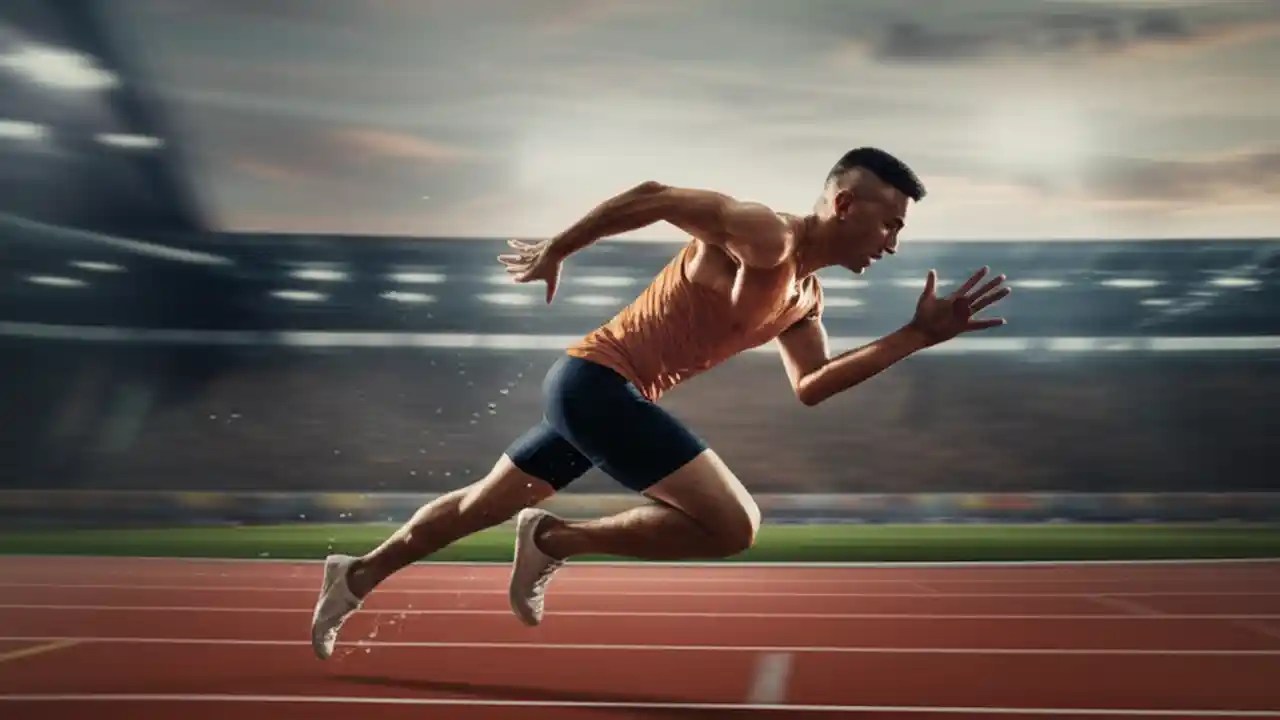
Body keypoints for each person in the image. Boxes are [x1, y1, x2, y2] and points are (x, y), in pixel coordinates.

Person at [309, 147, 1010, 659]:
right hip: (594, 383)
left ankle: (357, 575)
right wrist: (561, 245)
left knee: (475, 509)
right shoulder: (766, 233)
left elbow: (813, 385)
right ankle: (552, 538)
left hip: (605, 398)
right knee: (734, 525)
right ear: (846, 205)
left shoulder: (807, 296)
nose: (893, 243)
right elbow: (654, 195)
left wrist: (915, 337)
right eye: (890, 224)